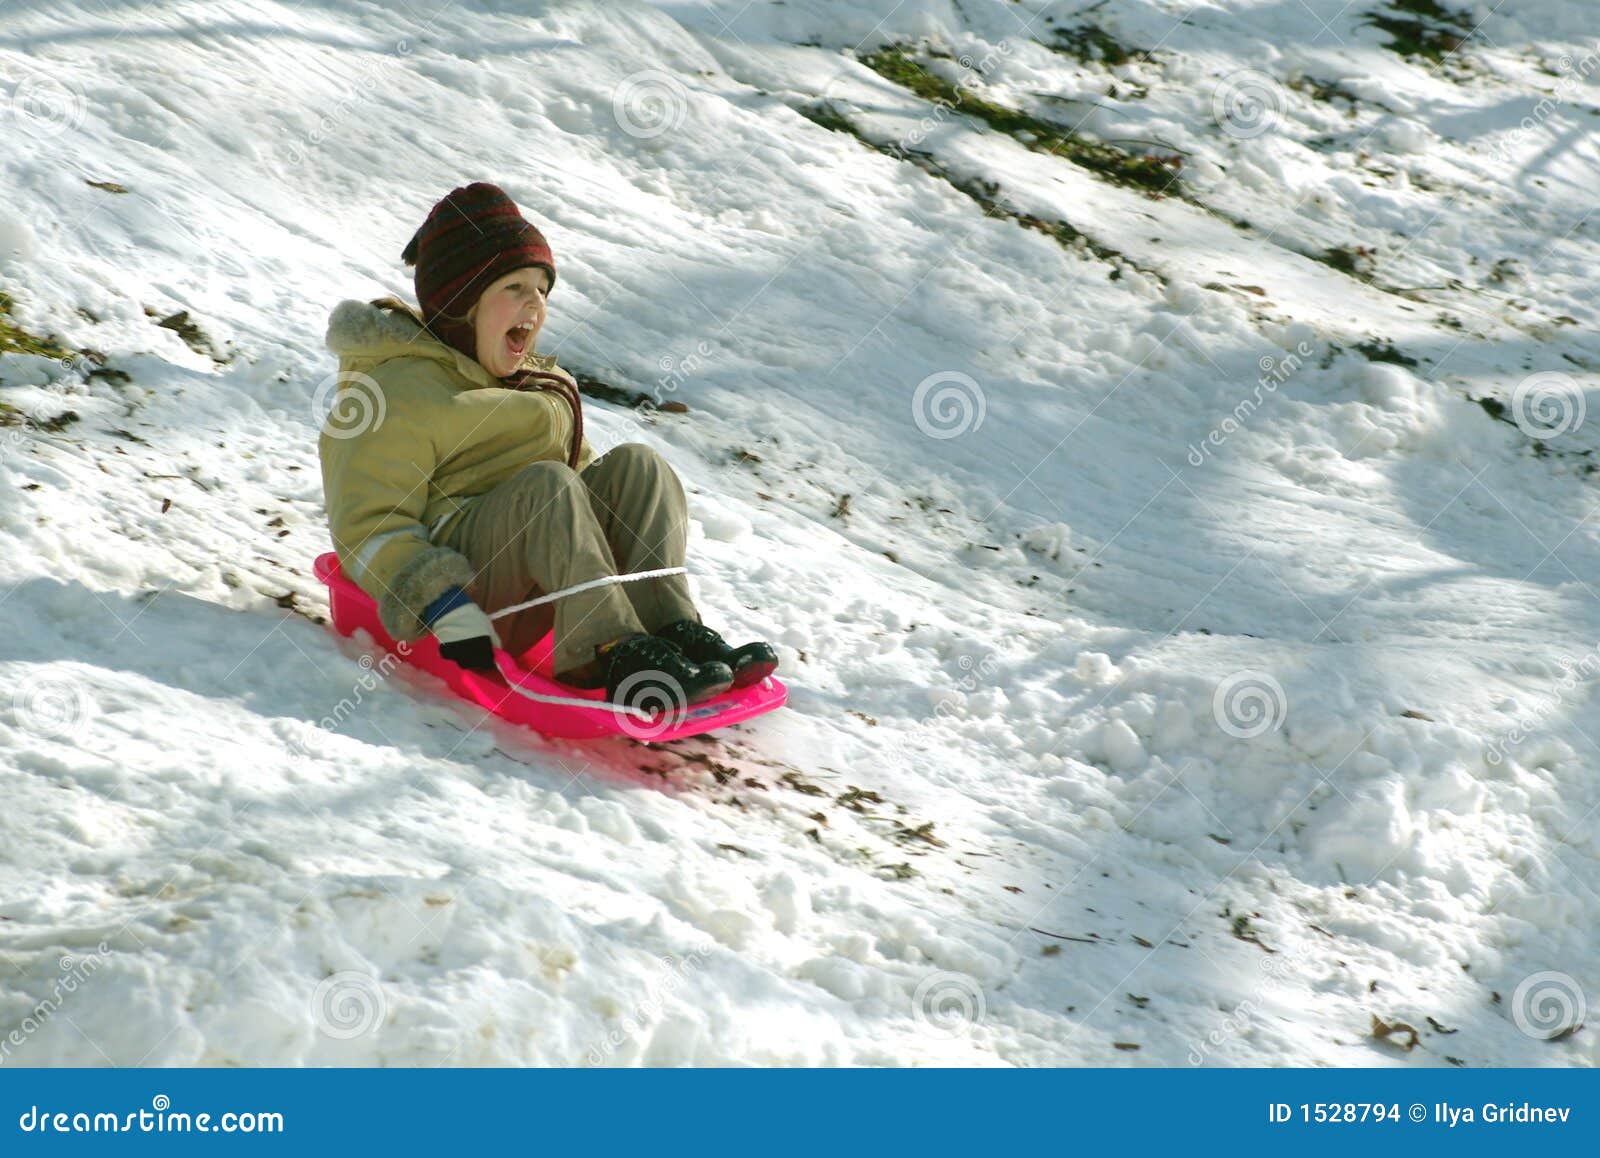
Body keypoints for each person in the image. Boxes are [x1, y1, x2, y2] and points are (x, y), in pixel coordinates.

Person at [317, 182, 777, 710]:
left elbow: (580, 494)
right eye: (513, 287)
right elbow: (367, 524)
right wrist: (444, 605)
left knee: (639, 467)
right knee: (548, 486)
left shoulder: (538, 384)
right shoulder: (399, 389)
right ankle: (611, 649)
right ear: (463, 304)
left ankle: (669, 626)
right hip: (465, 597)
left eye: (542, 288)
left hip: (543, 583)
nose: (534, 303)